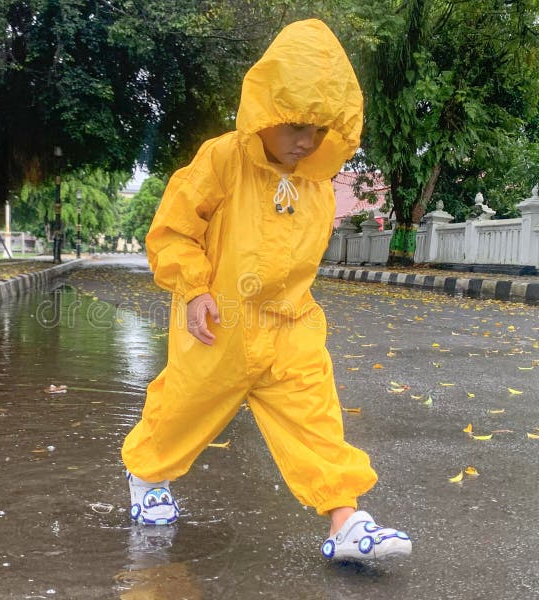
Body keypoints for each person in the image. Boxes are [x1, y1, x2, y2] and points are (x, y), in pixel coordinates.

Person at [121, 18, 411, 562]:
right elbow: (175, 230)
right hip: (219, 320)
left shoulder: (319, 184)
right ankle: (147, 478)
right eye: (297, 122)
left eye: (321, 129)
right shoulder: (223, 159)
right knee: (183, 408)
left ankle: (345, 520)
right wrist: (195, 287)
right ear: (267, 108)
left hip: (290, 325)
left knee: (317, 419)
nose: (307, 140)